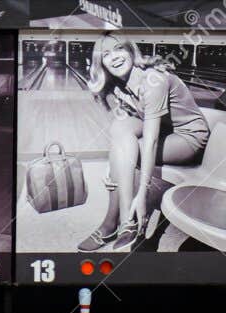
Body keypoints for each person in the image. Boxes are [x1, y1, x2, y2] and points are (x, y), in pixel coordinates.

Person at [79, 33, 211, 252]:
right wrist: (112, 162)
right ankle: (116, 224)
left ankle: (122, 223)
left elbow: (150, 142)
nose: (114, 57)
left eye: (119, 49)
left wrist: (142, 193)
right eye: (106, 54)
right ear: (101, 63)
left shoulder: (153, 80)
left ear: (131, 51)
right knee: (119, 128)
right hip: (166, 131)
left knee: (128, 156)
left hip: (188, 137)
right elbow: (122, 134)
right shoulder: (120, 86)